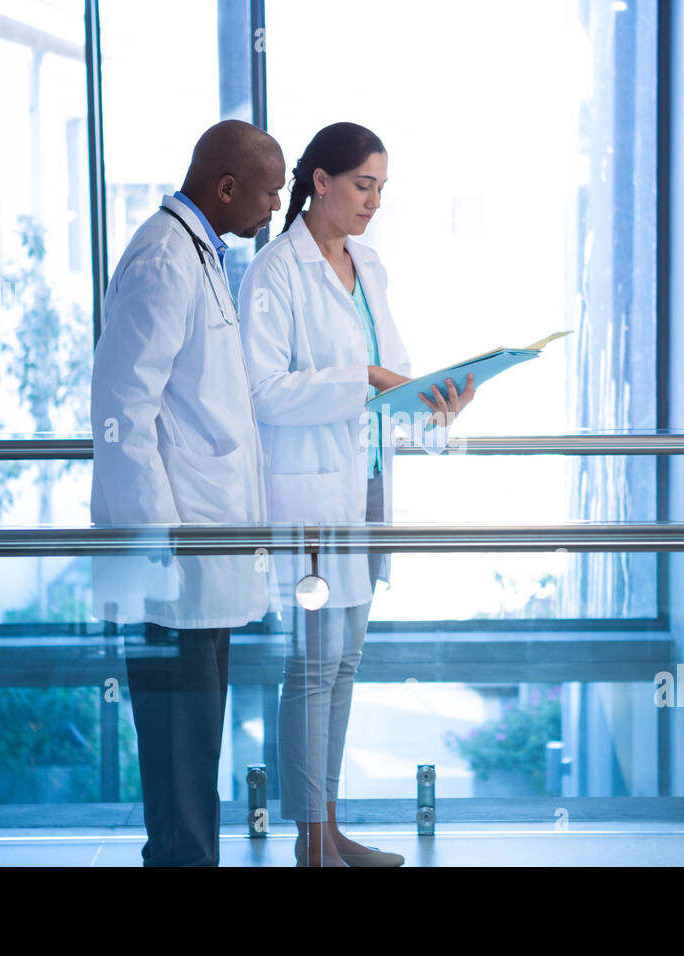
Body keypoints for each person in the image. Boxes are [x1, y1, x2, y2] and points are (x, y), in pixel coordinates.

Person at [238, 122, 475, 866]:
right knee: (311, 665)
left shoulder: (368, 267)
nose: (374, 201)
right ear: (321, 181)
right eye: (363, 185)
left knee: (344, 663)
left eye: (381, 188)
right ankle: (311, 844)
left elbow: (393, 383)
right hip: (309, 496)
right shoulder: (276, 274)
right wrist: (366, 379)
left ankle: (329, 828)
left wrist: (437, 402)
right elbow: (264, 393)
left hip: (365, 486)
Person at [90, 119, 285, 866]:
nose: (274, 207)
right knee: (182, 746)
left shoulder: (200, 254)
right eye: (268, 194)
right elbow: (121, 411)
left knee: (194, 744)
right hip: (173, 556)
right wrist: (155, 547)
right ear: (226, 188)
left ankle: (185, 860)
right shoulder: (165, 260)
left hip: (202, 550)